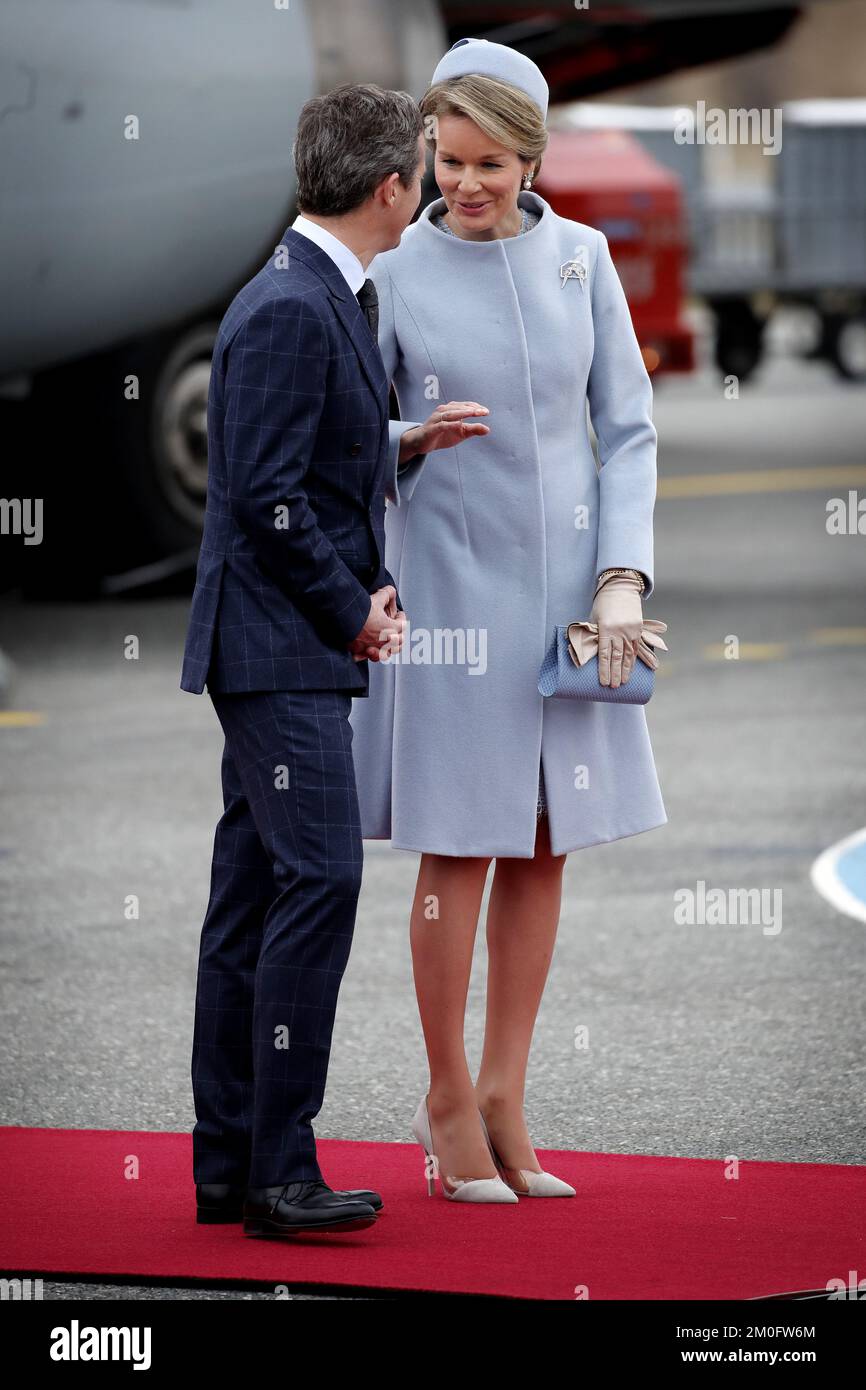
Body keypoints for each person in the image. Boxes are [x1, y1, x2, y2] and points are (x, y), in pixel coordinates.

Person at [348, 38, 668, 1201]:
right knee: (460, 841)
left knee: (542, 842)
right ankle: (441, 1097)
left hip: (572, 607)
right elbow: (347, 435)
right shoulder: (392, 272)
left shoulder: (584, 260)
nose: (466, 184)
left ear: (532, 157)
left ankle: (503, 1094)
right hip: (445, 601)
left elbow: (626, 429)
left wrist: (622, 575)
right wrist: (402, 441)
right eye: (449, 158)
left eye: (491, 163)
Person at [179, 82, 489, 1237]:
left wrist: (400, 439)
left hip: (282, 646)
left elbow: (300, 454)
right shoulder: (292, 307)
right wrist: (354, 605)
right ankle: (279, 1172)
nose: (426, 187)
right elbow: (260, 500)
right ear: (389, 189)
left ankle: (229, 1167)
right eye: (420, 170)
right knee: (316, 884)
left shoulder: (321, 291)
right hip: (279, 650)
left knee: (253, 895)